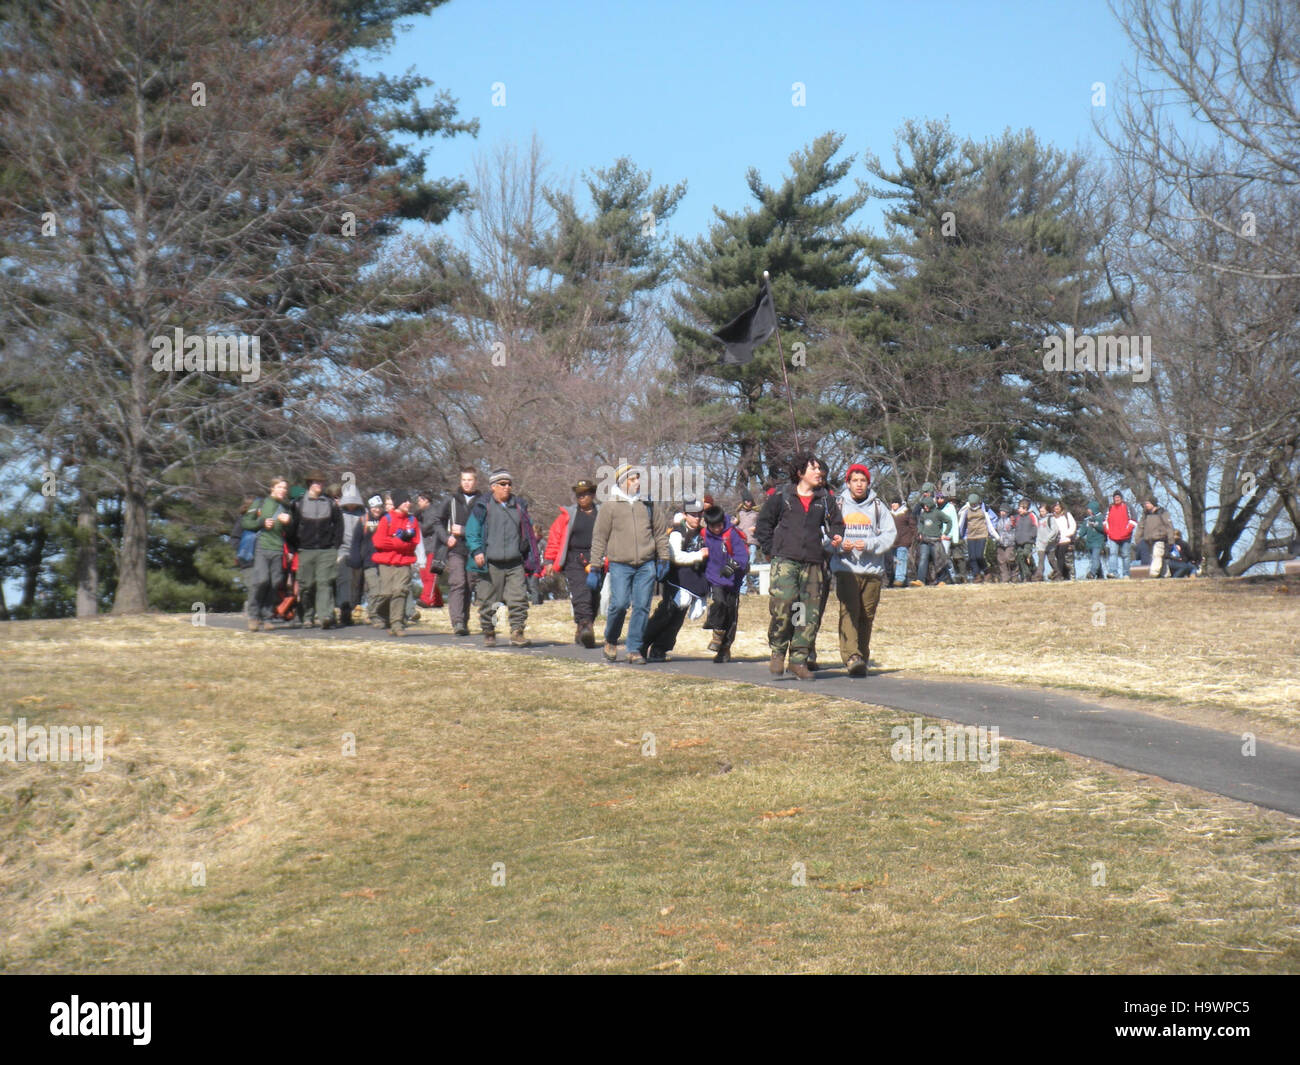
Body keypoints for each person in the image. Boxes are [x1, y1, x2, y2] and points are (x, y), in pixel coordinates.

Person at [755, 453, 844, 680]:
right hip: (785, 560)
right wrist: (770, 549)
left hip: (814, 562)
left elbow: (837, 523)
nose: (819, 472)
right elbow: (764, 523)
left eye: (820, 469)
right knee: (784, 603)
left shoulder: (825, 500)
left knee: (805, 612)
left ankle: (798, 659)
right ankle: (777, 650)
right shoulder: (782, 497)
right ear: (800, 472)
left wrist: (836, 536)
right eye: (813, 468)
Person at [590, 464, 671, 664]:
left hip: (646, 564)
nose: (637, 482)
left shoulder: (648, 504)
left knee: (642, 606)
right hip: (620, 564)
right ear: (622, 482)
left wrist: (664, 558)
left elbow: (660, 533)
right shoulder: (610, 506)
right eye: (632, 478)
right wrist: (594, 566)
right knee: (619, 604)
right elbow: (599, 537)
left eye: (638, 478)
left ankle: (634, 648)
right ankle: (610, 639)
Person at [831, 464, 895, 677]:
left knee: (866, 614)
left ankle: (862, 656)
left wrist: (869, 545)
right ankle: (851, 656)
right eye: (855, 480)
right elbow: (825, 535)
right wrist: (840, 545)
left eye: (863, 480)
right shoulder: (837, 505)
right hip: (846, 568)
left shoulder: (878, 506)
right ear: (847, 483)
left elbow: (889, 535)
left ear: (868, 483)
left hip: (872, 570)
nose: (859, 484)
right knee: (850, 611)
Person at [465, 469, 540, 647]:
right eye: (502, 484)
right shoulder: (483, 506)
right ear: (493, 487)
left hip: (515, 562)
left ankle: (517, 632)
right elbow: (472, 531)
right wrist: (477, 551)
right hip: (490, 563)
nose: (507, 487)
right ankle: (489, 631)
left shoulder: (519, 506)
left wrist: (530, 552)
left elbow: (528, 532)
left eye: (509, 484)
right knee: (488, 601)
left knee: (519, 599)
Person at [642, 497, 709, 662]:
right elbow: (675, 556)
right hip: (676, 579)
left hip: (693, 582)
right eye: (693, 515)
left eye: (699, 514)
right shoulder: (678, 532)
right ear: (685, 514)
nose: (697, 518)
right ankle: (641, 643)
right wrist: (699, 555)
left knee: (678, 618)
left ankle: (660, 648)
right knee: (666, 613)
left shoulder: (704, 533)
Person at [542, 479, 602, 647]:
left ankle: (583, 627)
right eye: (579, 494)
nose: (582, 497)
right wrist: (549, 560)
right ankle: (585, 625)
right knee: (580, 592)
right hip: (574, 559)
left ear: (592, 494)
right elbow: (555, 538)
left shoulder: (603, 514)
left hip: (597, 559)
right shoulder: (567, 516)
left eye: (585, 493)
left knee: (594, 595)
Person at [291, 474, 344, 628]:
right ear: (309, 484)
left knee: (324, 582)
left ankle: (325, 616)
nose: (319, 484)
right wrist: (294, 548)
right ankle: (306, 615)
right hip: (305, 550)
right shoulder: (298, 503)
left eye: (321, 482)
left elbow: (339, 525)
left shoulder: (330, 503)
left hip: (326, 550)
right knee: (306, 585)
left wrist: (335, 545)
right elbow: (292, 528)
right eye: (316, 482)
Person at [241, 477, 292, 631]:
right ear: (272, 488)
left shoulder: (286, 507)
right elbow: (245, 522)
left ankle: (267, 616)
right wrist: (261, 523)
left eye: (285, 488)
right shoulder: (261, 503)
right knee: (261, 580)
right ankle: (253, 616)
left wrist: (289, 522)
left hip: (278, 548)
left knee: (275, 582)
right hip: (262, 546)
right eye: (280, 487)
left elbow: (290, 532)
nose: (283, 490)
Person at [435, 468, 482, 636]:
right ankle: (457, 622)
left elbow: (487, 525)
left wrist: (463, 531)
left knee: (470, 585)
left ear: (476, 481)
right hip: (455, 549)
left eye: (470, 480)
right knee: (458, 582)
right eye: (464, 480)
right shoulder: (451, 500)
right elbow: (438, 521)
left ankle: (465, 621)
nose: (467, 483)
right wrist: (446, 537)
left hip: (474, 549)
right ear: (460, 481)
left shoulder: (483, 501)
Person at [701, 504, 749, 663]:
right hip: (715, 578)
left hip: (733, 580)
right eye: (713, 526)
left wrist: (732, 566)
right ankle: (717, 634)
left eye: (719, 525)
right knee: (719, 603)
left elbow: (742, 556)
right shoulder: (704, 535)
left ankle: (725, 648)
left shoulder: (731, 534)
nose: (717, 529)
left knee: (731, 613)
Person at [368, 490, 421, 635]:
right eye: (405, 501)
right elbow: (378, 542)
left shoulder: (412, 521)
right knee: (386, 593)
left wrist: (395, 542)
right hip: (386, 562)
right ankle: (379, 613)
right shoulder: (387, 519)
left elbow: (413, 543)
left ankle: (397, 624)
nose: (408, 504)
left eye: (409, 501)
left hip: (404, 562)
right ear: (398, 503)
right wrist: (398, 542)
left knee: (400, 591)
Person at [336, 483, 367, 624]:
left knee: (356, 582)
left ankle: (354, 606)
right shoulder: (338, 513)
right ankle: (345, 609)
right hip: (342, 551)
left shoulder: (364, 514)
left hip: (359, 552)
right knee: (344, 580)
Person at [957, 492, 999, 584]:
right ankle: (977, 575)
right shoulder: (966, 510)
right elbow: (961, 519)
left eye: (975, 503)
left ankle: (987, 571)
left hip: (982, 535)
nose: (973, 505)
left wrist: (995, 533)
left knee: (979, 556)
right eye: (972, 504)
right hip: (971, 536)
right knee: (972, 557)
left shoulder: (985, 509)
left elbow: (992, 520)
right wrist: (960, 535)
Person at [912, 494, 953, 586]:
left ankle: (942, 580)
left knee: (938, 560)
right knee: (922, 559)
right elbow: (921, 524)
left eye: (927, 505)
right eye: (924, 506)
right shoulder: (923, 514)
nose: (925, 507)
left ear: (930, 504)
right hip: (925, 541)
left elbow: (949, 521)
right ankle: (920, 580)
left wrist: (945, 533)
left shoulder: (938, 513)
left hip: (936, 541)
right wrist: (920, 533)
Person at [1137, 497, 1176, 577]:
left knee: (1157, 555)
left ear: (1153, 504)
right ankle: (1166, 574)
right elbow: (1141, 526)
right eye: (1145, 503)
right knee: (1159, 557)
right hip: (1149, 540)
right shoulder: (1145, 515)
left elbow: (1169, 526)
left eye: (1148, 503)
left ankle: (1153, 573)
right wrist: (1138, 538)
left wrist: (1171, 540)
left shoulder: (1162, 513)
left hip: (1160, 538)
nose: (1146, 505)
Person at [1105, 491, 1139, 579]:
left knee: (1126, 555)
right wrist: (1108, 531)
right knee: (1113, 554)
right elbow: (1105, 521)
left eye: (1118, 497)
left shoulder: (1127, 506)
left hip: (1126, 536)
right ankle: (1113, 572)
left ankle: (1126, 574)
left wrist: (1127, 531)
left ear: (1121, 498)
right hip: (1113, 536)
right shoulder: (1110, 507)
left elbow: (1134, 519)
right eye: (1115, 497)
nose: (1116, 499)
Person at [733, 490, 761, 594]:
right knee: (742, 564)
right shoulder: (739, 513)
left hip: (753, 541)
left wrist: (756, 528)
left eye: (750, 501)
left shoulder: (757, 513)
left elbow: (762, 524)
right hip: (741, 541)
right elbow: (733, 525)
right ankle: (743, 589)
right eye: (747, 501)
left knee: (752, 562)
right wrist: (735, 523)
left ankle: (756, 586)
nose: (748, 503)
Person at [889, 498, 916, 589]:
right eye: (892, 503)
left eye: (895, 503)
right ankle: (901, 579)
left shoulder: (906, 513)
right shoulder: (889, 514)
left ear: (899, 504)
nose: (893, 505)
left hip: (903, 540)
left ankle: (899, 579)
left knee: (901, 559)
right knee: (895, 561)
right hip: (893, 542)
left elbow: (913, 526)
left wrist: (912, 538)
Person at [1078, 501, 1107, 580]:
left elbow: (1104, 529)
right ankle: (1100, 575)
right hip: (1089, 543)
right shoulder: (1087, 519)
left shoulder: (1101, 518)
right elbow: (1083, 530)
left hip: (1098, 542)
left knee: (1095, 558)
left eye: (1089, 509)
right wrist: (1078, 536)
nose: (1088, 511)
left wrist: (1095, 525)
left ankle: (1092, 573)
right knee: (1096, 559)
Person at [1011, 499, 1038, 583]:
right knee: (1020, 558)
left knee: (1026, 554)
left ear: (1025, 508)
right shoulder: (1017, 517)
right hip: (1019, 541)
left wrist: (1032, 536)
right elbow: (1014, 526)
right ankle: (1025, 576)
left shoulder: (1032, 515)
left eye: (1020, 508)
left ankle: (1033, 568)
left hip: (1028, 541)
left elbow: (1035, 526)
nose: (1019, 510)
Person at [1050, 501, 1077, 581]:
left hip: (1065, 539)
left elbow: (1073, 525)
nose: (1057, 508)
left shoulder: (1067, 515)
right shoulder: (1052, 517)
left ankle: (1059, 574)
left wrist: (1068, 534)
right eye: (1055, 506)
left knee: (1061, 556)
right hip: (1056, 541)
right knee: (1057, 556)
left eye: (1058, 506)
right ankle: (1065, 573)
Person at [1032, 503, 1058, 582]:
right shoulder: (1039, 520)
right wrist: (1037, 543)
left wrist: (1048, 539)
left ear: (1047, 511)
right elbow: (1038, 532)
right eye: (1040, 511)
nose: (1041, 513)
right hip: (1040, 545)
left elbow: (1055, 530)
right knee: (1040, 561)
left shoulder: (1051, 519)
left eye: (1043, 511)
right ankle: (1039, 577)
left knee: (1051, 560)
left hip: (1050, 545)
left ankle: (1058, 573)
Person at [994, 504, 1017, 583]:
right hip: (1000, 543)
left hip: (1010, 543)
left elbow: (1015, 527)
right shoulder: (997, 521)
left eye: (1004, 511)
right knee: (1001, 560)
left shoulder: (1011, 520)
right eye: (1001, 511)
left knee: (1009, 558)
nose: (1002, 513)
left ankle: (1014, 575)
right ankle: (1005, 578)